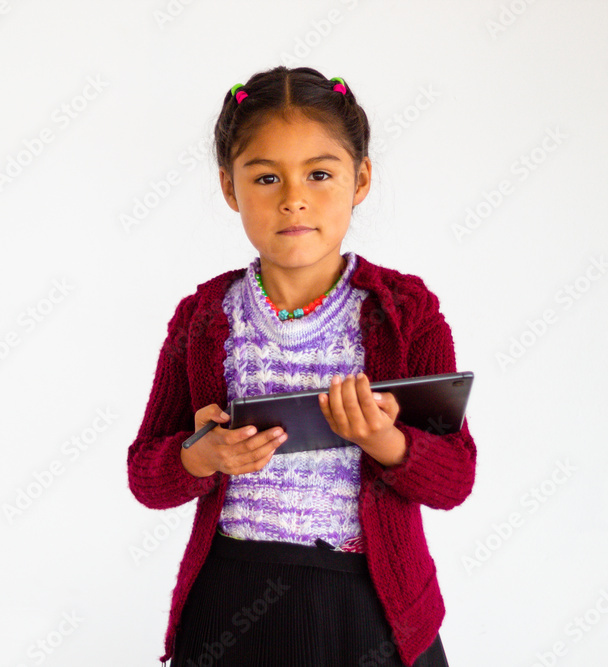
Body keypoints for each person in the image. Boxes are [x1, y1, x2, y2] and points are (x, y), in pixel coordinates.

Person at [126, 65, 476, 667]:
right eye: (266, 177)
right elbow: (145, 474)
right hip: (231, 603)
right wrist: (199, 457)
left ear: (360, 178)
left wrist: (383, 439)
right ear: (230, 189)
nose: (294, 197)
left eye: (320, 174)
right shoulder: (204, 318)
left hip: (367, 607)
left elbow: (455, 478)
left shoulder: (404, 312)